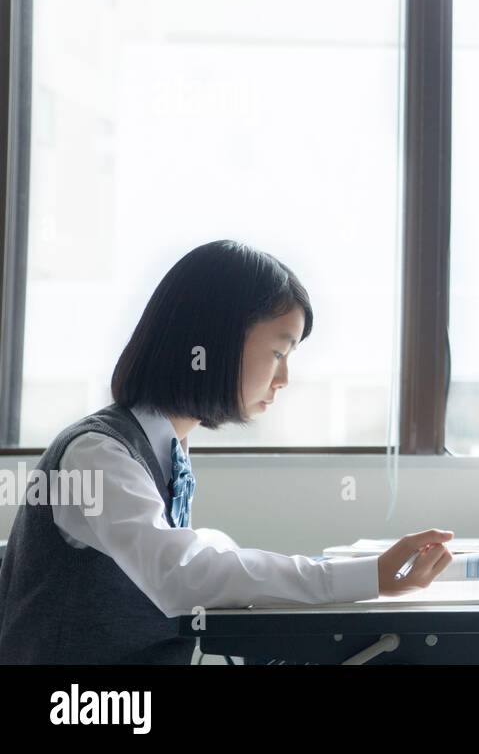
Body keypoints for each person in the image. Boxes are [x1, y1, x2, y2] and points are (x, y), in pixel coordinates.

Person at [0, 239, 453, 664]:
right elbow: (182, 576)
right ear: (215, 343)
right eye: (279, 352)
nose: (284, 378)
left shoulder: (164, 448)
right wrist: (362, 576)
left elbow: (183, 554)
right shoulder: (98, 454)